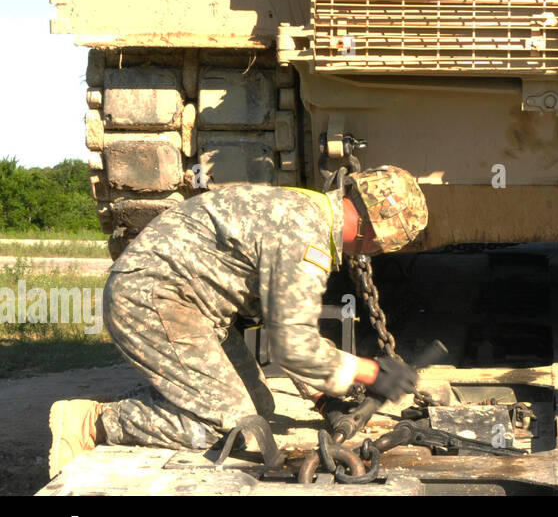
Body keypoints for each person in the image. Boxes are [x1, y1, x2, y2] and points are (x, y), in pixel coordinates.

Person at [48, 165, 429, 477]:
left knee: (258, 411)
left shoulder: (303, 210)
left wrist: (323, 399)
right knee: (227, 426)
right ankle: (93, 422)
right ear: (374, 235)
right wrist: (371, 372)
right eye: (382, 247)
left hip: (183, 304)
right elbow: (293, 346)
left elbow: (280, 321)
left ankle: (167, 401)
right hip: (154, 299)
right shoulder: (305, 238)